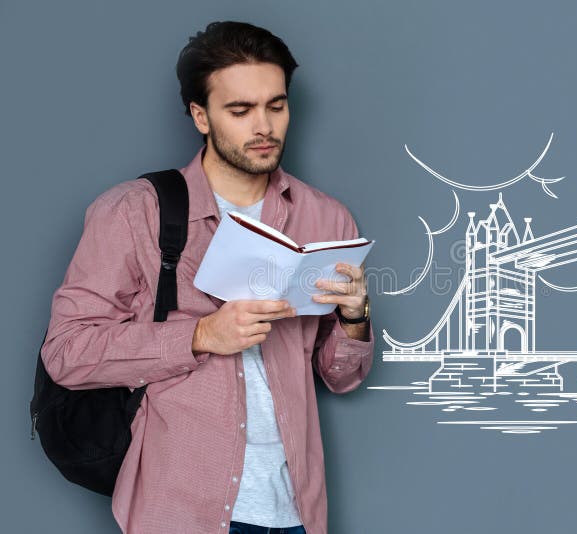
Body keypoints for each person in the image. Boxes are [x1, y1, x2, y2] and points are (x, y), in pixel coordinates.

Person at [41, 20, 374, 534]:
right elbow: (66, 353)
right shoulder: (133, 213)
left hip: (296, 512)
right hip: (181, 510)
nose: (263, 126)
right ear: (200, 115)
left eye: (276, 105)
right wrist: (200, 335)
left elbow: (341, 376)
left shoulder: (327, 219)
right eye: (240, 110)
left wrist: (354, 319)